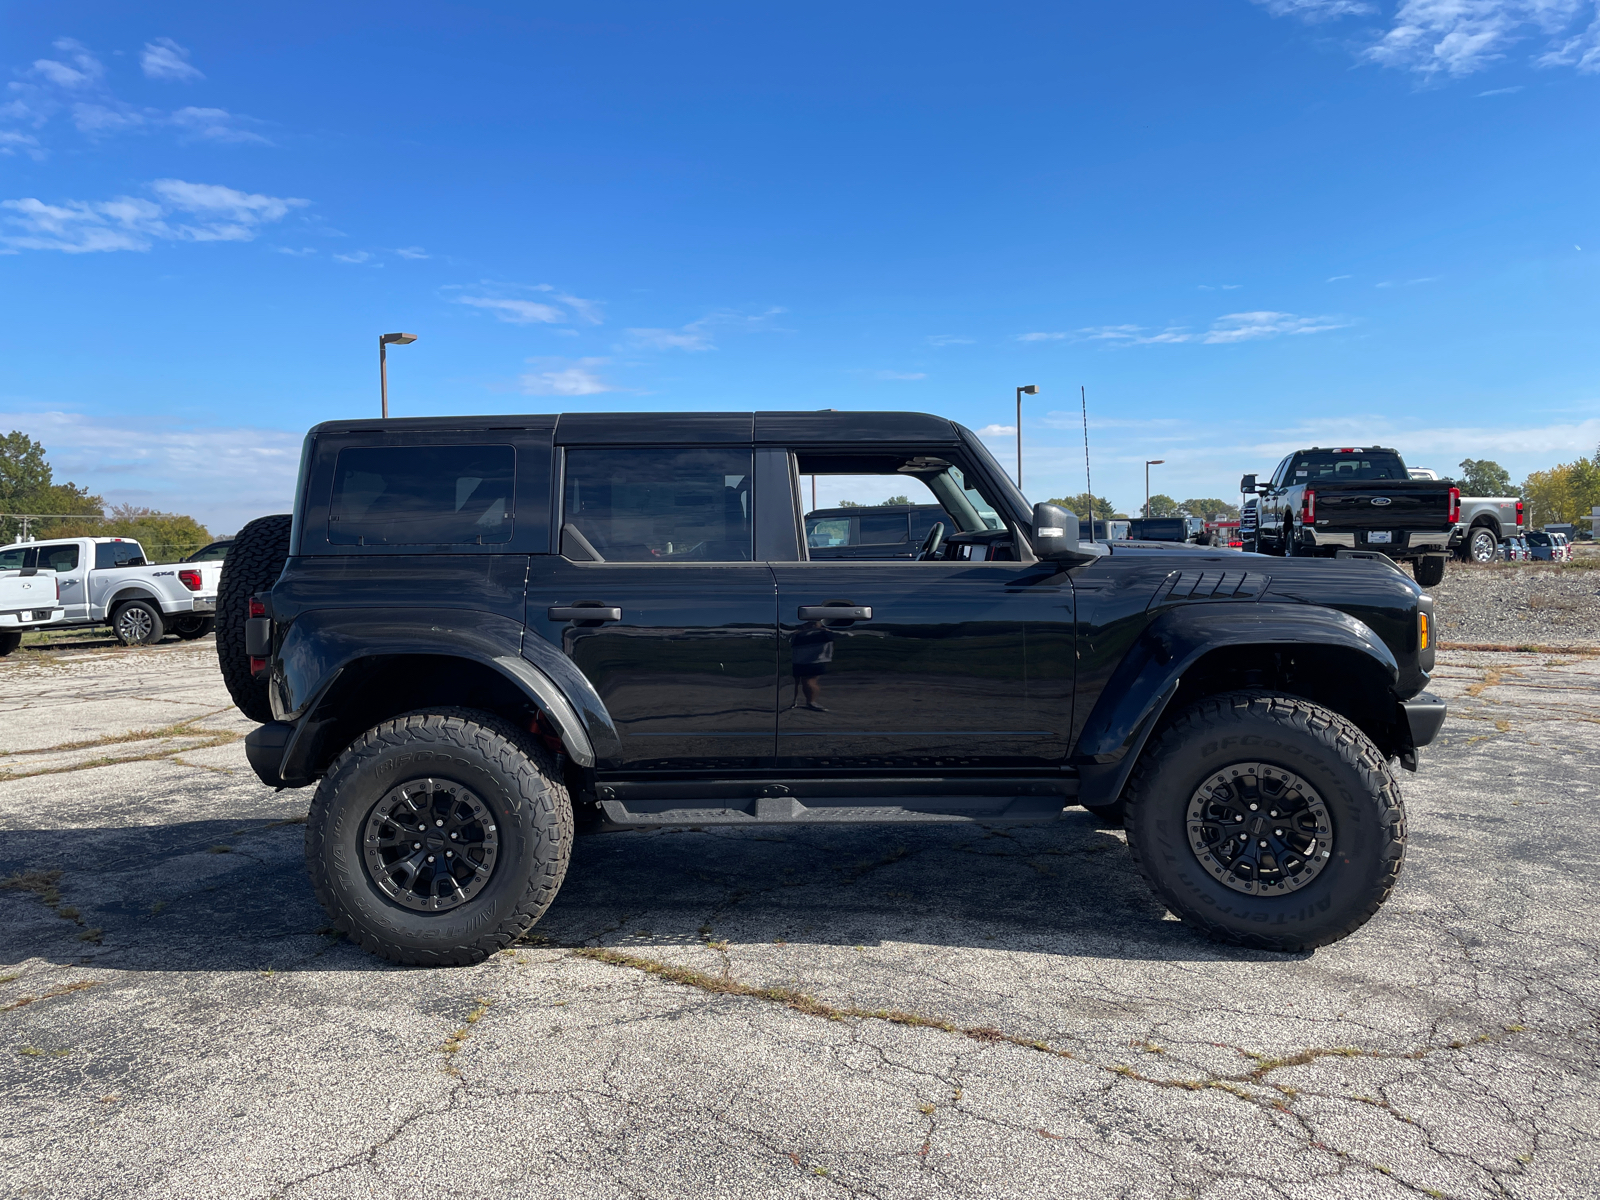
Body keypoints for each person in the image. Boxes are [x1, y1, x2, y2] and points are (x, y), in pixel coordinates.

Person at [790, 618, 835, 711]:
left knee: (806, 681)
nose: (812, 626)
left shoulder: (823, 633)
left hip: (808, 661)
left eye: (814, 623)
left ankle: (805, 701)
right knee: (807, 681)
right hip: (811, 660)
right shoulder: (824, 633)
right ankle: (808, 701)